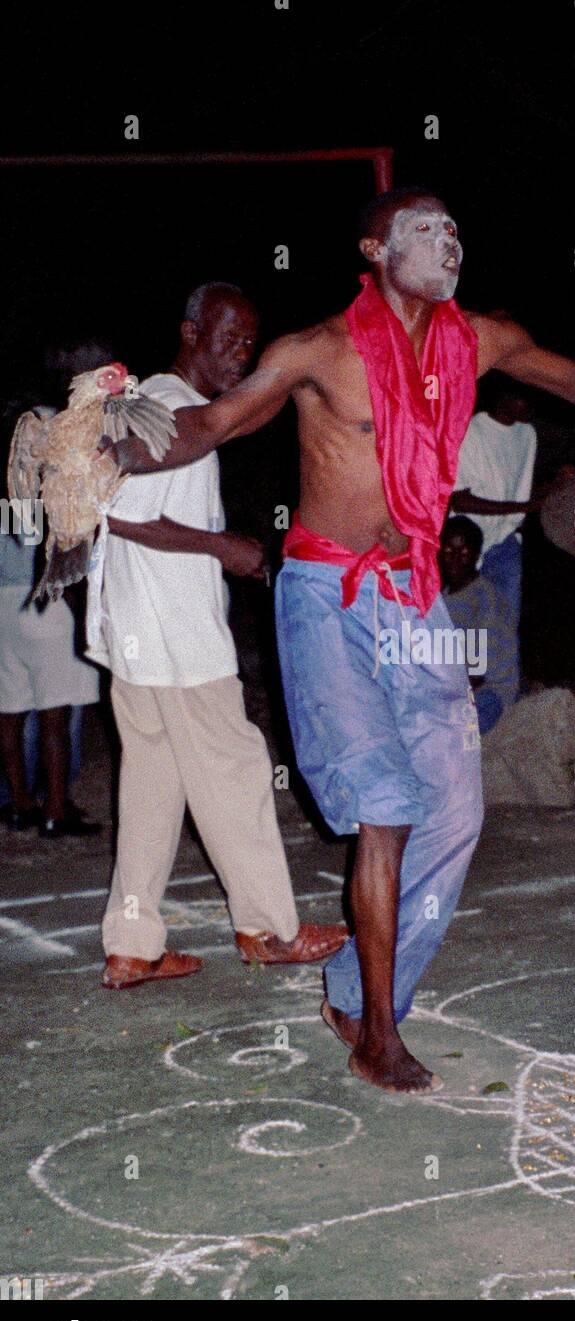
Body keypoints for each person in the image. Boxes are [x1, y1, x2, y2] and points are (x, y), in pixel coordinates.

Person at [107, 187, 575, 1089]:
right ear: (376, 250)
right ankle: (377, 1036)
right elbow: (214, 422)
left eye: (457, 231)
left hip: (415, 601)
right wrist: (117, 443)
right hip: (327, 597)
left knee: (455, 811)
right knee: (387, 806)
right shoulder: (316, 351)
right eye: (428, 231)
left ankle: (355, 985)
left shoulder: (478, 341)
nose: (452, 242)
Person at [88, 282, 347, 989]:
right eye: (228, 337)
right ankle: (270, 928)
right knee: (236, 766)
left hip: (138, 632)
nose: (240, 352)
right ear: (191, 331)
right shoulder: (172, 409)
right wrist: (223, 547)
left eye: (248, 342)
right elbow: (121, 516)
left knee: (151, 789)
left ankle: (131, 945)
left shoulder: (156, 404)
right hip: (173, 635)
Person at [0, 453, 101, 838]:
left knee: (9, 713)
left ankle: (20, 804)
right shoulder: (58, 495)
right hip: (47, 601)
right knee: (54, 719)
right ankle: (55, 810)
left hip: (5, 606)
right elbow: (69, 556)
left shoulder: (10, 495)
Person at [451, 379, 538, 623]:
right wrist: (522, 508)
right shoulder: (469, 431)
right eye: (524, 398)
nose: (530, 406)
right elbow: (461, 502)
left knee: (504, 626)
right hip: (467, 543)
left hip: (506, 540)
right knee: (463, 625)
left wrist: (558, 485)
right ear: (504, 396)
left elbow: (519, 491)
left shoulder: (527, 434)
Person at [439, 515, 518, 734]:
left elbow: (475, 673)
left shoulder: (484, 599)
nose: (455, 559)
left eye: (464, 554)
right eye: (448, 551)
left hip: (489, 694)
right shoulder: (442, 599)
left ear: (476, 556)